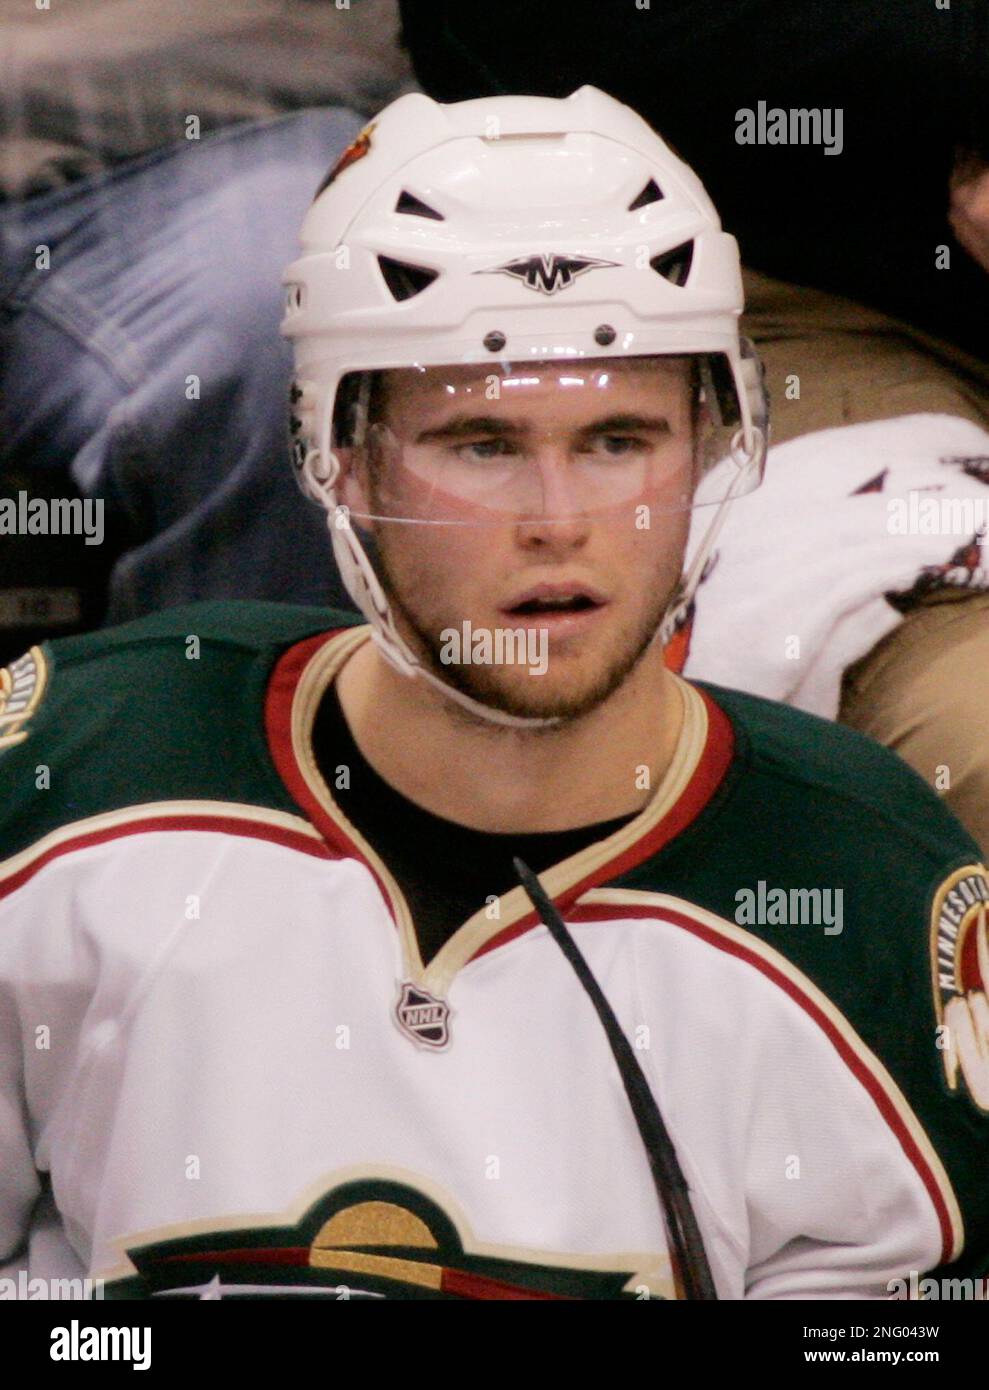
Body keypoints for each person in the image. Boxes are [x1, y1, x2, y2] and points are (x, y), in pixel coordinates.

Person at [2, 85, 988, 1301]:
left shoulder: (863, 892)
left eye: (618, 440)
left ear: (713, 444)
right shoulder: (76, 777)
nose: (559, 525)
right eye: (481, 444)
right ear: (338, 457)